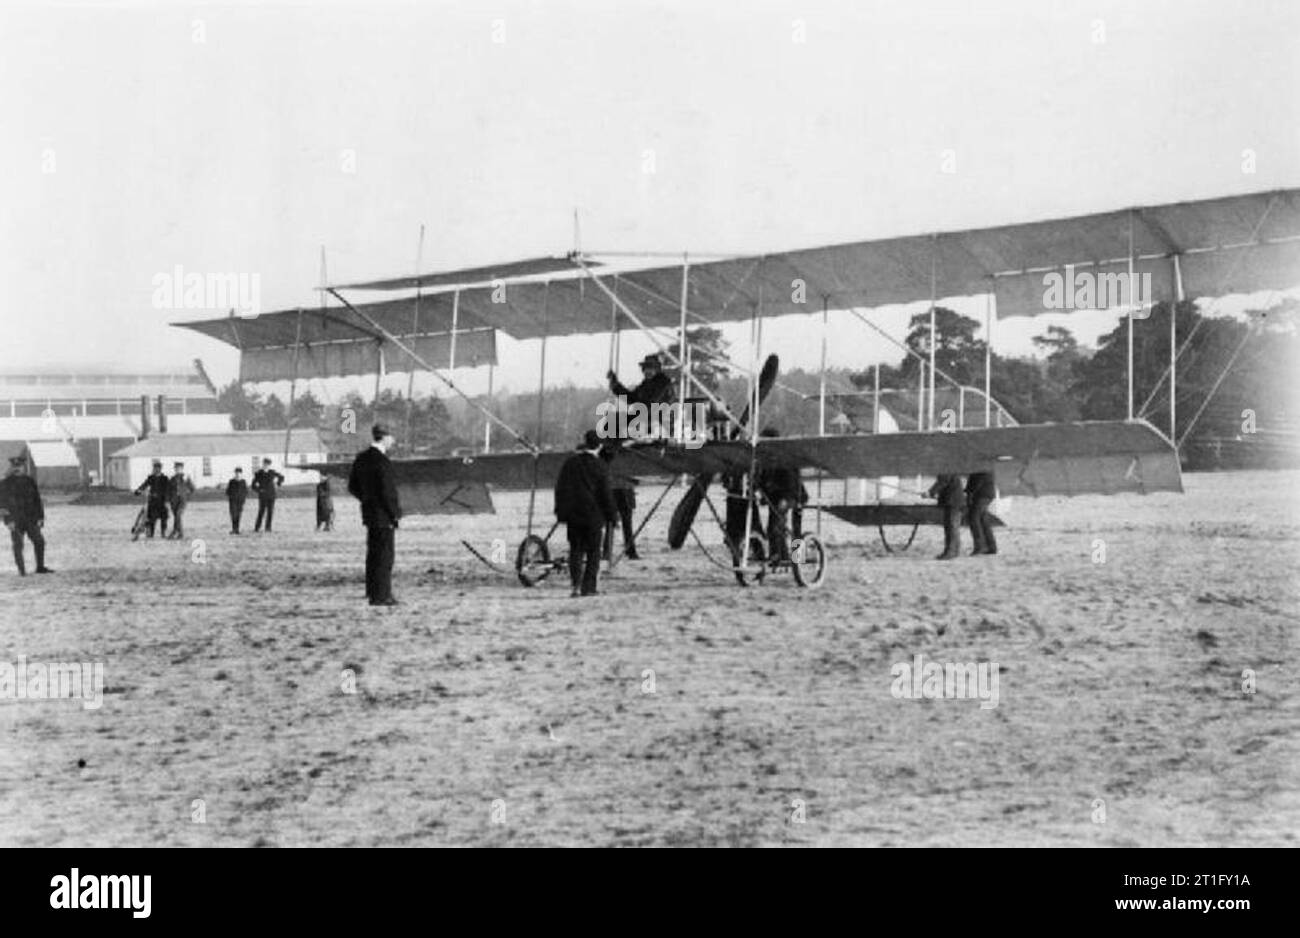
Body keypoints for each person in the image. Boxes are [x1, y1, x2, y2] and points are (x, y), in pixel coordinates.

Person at [554, 429, 616, 597]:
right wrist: (612, 516)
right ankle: (589, 587)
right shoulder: (600, 466)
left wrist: (561, 513)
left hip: (573, 515)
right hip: (593, 516)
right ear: (599, 446)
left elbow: (560, 489)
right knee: (593, 552)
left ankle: (575, 585)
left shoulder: (570, 463)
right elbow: (605, 494)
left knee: (575, 550)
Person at [348, 424, 402, 606]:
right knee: (385, 556)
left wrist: (367, 499)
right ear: (385, 437)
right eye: (392, 437)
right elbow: (388, 492)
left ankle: (372, 592)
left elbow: (352, 486)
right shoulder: (383, 462)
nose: (393, 441)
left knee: (372, 555)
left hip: (369, 514)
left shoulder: (362, 459)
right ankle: (382, 596)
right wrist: (395, 513)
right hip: (384, 516)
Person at [756, 428, 807, 561]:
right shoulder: (766, 459)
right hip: (777, 496)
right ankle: (780, 555)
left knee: (791, 528)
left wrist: (785, 497)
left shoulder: (785, 457)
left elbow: (792, 481)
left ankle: (797, 556)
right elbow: (762, 480)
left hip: (794, 495)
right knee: (774, 527)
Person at [0, 456, 51, 575]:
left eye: (19, 466)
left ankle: (40, 567)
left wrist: (40, 517)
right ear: (12, 467)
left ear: (24, 467)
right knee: (18, 545)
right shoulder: (4, 484)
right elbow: (2, 505)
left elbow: (37, 500)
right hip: (15, 520)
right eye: (15, 466)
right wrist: (8, 521)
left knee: (39, 541)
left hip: (31, 519)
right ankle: (22, 571)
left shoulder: (30, 481)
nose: (17, 469)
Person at [607, 353, 675, 436]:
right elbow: (631, 398)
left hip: (659, 422)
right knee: (612, 422)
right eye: (646, 368)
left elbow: (651, 405)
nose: (647, 371)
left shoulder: (663, 383)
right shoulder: (646, 384)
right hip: (645, 419)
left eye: (650, 368)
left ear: (657, 369)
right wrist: (616, 385)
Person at [600, 443, 639, 560]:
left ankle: (626, 550)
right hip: (616, 488)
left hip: (622, 487)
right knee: (612, 522)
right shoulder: (607, 449)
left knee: (623, 522)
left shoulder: (628, 446)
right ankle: (610, 551)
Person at [927, 473, 965, 560]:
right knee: (953, 527)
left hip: (953, 502)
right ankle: (954, 550)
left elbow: (943, 481)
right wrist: (932, 493)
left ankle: (950, 552)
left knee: (951, 527)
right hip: (954, 501)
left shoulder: (946, 468)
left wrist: (930, 492)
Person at [965, 471, 999, 556]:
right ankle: (991, 546)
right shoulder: (984, 463)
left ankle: (980, 546)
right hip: (987, 493)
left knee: (974, 519)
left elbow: (978, 480)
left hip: (981, 494)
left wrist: (970, 492)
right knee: (983, 520)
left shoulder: (979, 466)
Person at [134, 460, 170, 538]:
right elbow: (144, 485)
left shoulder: (165, 478)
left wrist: (166, 500)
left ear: (161, 469)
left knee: (164, 518)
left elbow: (167, 489)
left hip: (162, 501)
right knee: (152, 519)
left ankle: (163, 533)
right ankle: (151, 534)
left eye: (158, 468)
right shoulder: (151, 478)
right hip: (153, 501)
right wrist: (138, 490)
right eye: (155, 468)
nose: (156, 470)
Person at [251, 459, 284, 533]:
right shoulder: (259, 473)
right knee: (261, 512)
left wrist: (278, 484)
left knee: (270, 512)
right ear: (263, 464)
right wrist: (259, 490)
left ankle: (268, 528)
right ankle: (257, 528)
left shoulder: (272, 472)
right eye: (265, 464)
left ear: (270, 465)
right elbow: (253, 485)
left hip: (271, 495)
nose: (266, 466)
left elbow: (282, 477)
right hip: (263, 495)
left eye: (268, 464)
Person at [166, 461, 195, 540]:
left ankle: (180, 533)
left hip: (182, 500)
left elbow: (192, 488)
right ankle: (175, 531)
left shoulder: (186, 478)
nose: (177, 470)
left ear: (182, 469)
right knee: (176, 516)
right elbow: (168, 490)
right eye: (176, 468)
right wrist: (168, 500)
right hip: (174, 500)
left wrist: (187, 497)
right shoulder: (172, 479)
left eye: (179, 468)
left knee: (178, 515)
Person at [226, 467, 248, 534]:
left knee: (238, 515)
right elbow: (227, 491)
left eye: (239, 473)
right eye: (236, 473)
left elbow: (245, 491)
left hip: (240, 501)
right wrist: (231, 497)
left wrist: (243, 499)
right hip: (233, 501)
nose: (238, 474)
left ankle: (237, 529)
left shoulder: (243, 481)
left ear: (241, 474)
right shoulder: (231, 481)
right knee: (233, 515)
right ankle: (233, 529)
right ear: (235, 473)